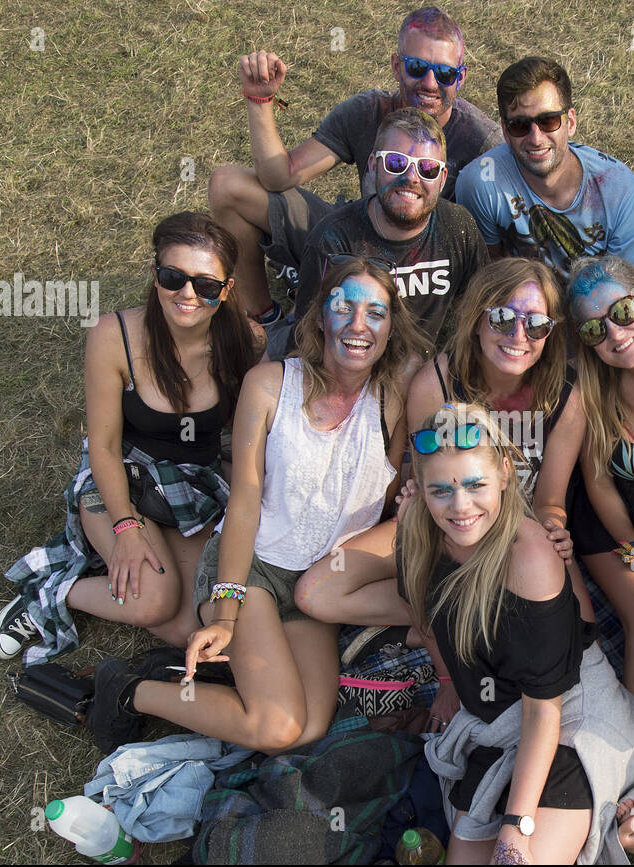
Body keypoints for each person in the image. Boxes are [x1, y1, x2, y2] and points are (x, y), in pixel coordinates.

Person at [84, 258, 425, 755]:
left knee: (306, 732)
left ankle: (204, 676)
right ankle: (129, 693)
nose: (358, 325)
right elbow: (242, 502)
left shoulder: (393, 401)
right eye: (343, 307)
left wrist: (414, 493)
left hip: (316, 582)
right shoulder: (269, 385)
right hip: (252, 571)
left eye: (376, 313)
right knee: (276, 728)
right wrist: (225, 613)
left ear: (391, 328)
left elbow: (391, 491)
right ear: (318, 318)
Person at [293, 258, 591, 677]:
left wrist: (554, 530)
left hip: (518, 532)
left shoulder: (565, 394)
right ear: (477, 318)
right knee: (316, 592)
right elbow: (427, 485)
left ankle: (447, 617)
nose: (518, 336)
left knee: (580, 630)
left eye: (537, 324)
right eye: (503, 318)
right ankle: (430, 624)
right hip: (443, 520)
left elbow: (551, 500)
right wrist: (418, 505)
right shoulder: (438, 383)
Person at [0, 212, 258, 664]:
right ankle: (54, 592)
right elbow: (102, 445)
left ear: (226, 289)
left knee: (192, 622)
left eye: (206, 285)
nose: (188, 294)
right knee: (153, 601)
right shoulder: (112, 336)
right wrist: (126, 527)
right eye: (174, 277)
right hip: (119, 476)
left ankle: (106, 567)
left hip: (190, 486)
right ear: (155, 276)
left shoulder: (246, 344)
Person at [402, 404, 634, 864]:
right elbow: (428, 616)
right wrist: (446, 682)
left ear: (504, 472)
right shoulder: (419, 534)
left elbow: (545, 713)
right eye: (440, 490)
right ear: (420, 490)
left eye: (476, 484)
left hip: (566, 716)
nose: (460, 507)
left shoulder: (530, 557)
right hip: (496, 719)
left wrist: (516, 829)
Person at [207, 6, 500, 331]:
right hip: (357, 233)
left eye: (445, 73)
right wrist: (260, 102)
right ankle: (265, 318)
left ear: (461, 77)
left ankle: (316, 282)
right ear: (396, 66)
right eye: (417, 67)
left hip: (427, 267)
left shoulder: (483, 142)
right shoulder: (366, 113)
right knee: (227, 186)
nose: (430, 83)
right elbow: (279, 176)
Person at [455, 55, 634, 319]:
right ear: (505, 131)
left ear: (571, 121)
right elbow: (492, 273)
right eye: (520, 125)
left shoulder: (619, 191)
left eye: (548, 121)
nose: (535, 138)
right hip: (535, 297)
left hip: (614, 281)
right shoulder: (479, 183)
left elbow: (613, 296)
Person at [291, 107, 488, 353]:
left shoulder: (458, 228)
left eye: (427, 168)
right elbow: (306, 342)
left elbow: (479, 313)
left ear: (442, 178)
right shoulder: (332, 241)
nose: (412, 178)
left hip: (420, 373)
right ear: (374, 165)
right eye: (396, 163)